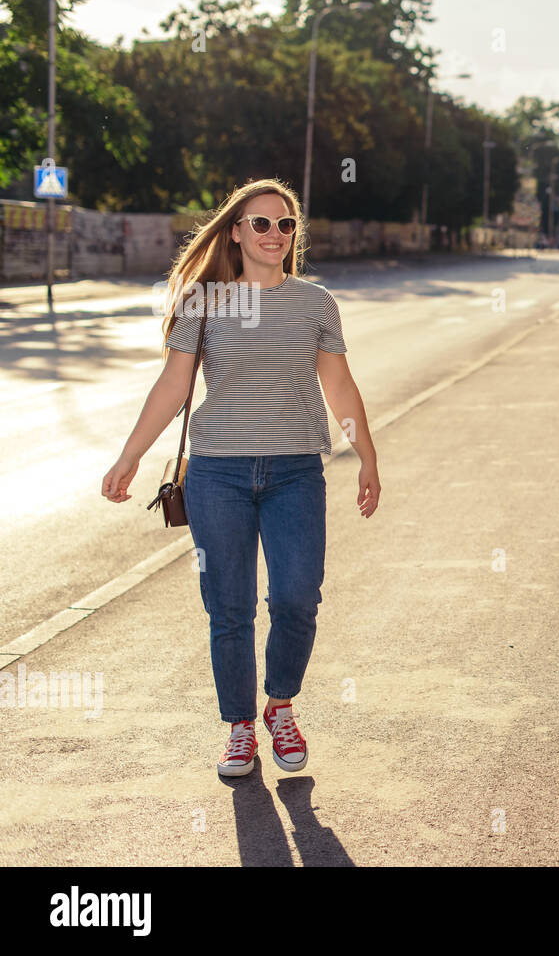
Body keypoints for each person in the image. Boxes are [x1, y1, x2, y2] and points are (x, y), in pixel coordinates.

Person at [102, 179, 381, 775]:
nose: (275, 234)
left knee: (296, 596)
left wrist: (368, 457)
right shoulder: (203, 301)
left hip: (295, 471)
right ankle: (240, 726)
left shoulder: (315, 303)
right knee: (228, 606)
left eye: (285, 225)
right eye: (261, 224)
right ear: (235, 231)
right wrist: (129, 456)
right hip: (217, 474)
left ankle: (280, 706)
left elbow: (338, 385)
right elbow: (174, 386)